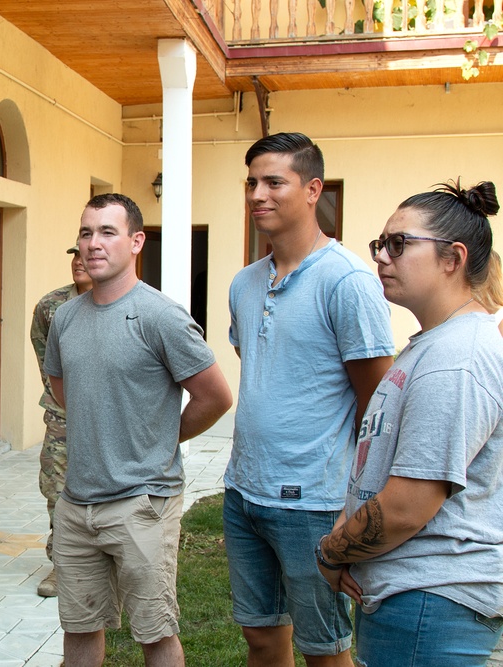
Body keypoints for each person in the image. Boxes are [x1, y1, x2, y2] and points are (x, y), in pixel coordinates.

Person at [225, 132, 394, 667]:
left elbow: (377, 404)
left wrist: (359, 502)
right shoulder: (244, 283)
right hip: (242, 491)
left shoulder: (347, 282)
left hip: (312, 502)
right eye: (252, 182)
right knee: (261, 638)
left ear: (313, 189)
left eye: (274, 181)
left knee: (325, 649)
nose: (257, 194)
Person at [318, 180, 503, 666]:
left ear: (452, 258)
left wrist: (331, 552)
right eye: (381, 244)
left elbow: (408, 504)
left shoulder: (456, 357)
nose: (382, 256)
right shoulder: (436, 344)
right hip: (413, 602)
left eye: (399, 244)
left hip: (431, 605)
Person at [44, 193, 233, 667]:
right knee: (79, 631)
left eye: (107, 232)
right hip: (76, 504)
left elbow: (215, 397)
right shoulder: (64, 317)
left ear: (135, 241)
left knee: (155, 633)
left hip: (142, 502)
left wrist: (160, 437)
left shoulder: (160, 316)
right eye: (86, 232)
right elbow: (62, 388)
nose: (93, 243)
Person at [29, 243, 93, 598]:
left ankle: (104, 560)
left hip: (107, 416)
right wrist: (60, 399)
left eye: (84, 255)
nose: (78, 261)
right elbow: (43, 355)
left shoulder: (118, 301)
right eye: (73, 254)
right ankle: (62, 564)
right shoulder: (51, 305)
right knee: (57, 487)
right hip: (63, 415)